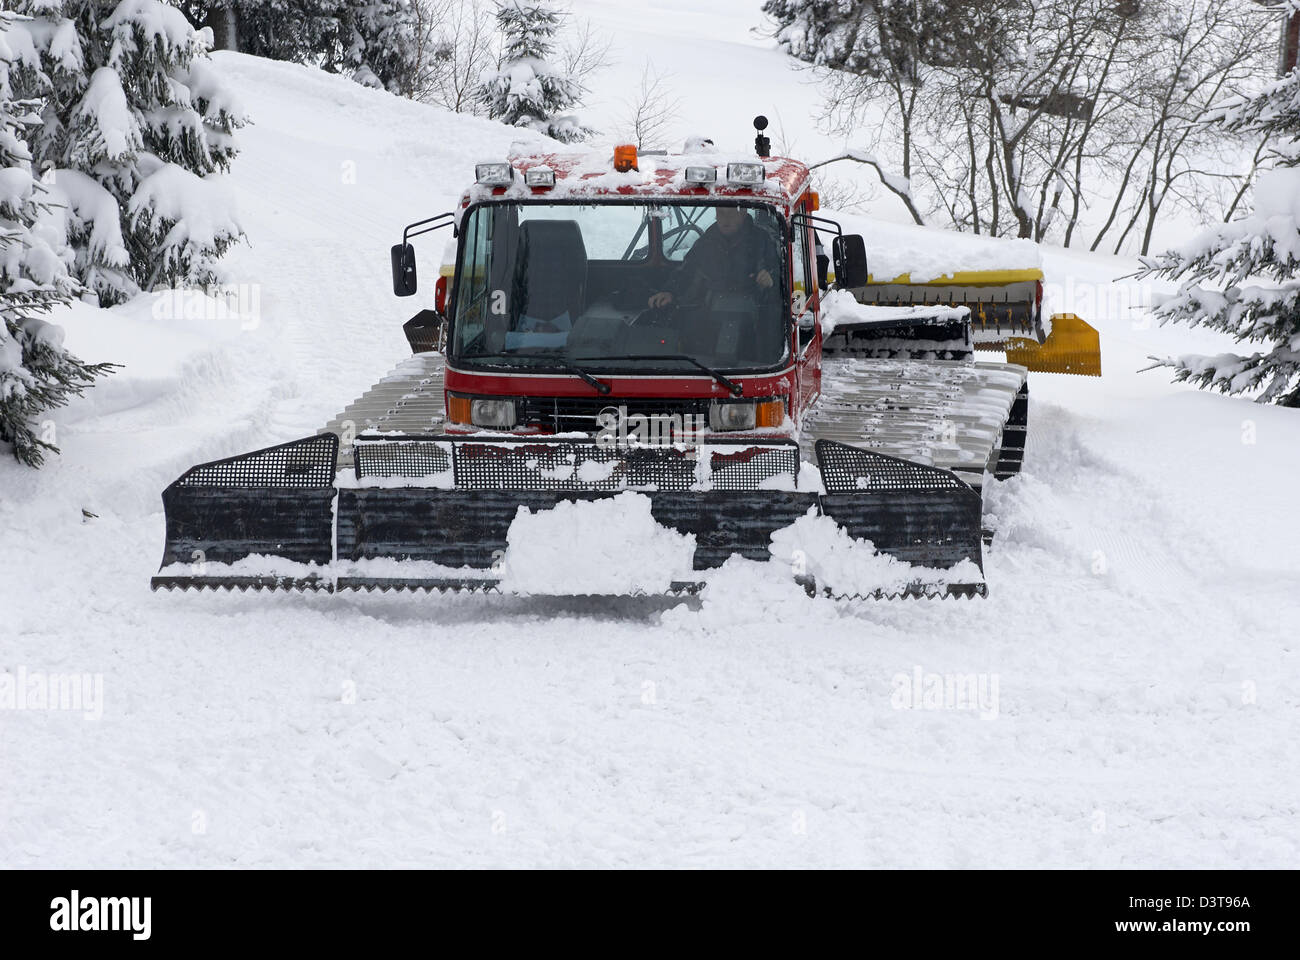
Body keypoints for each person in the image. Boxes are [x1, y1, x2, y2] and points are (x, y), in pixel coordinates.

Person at [647, 206, 779, 309]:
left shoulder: (762, 240)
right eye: (721, 213)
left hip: (754, 310)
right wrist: (670, 292)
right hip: (709, 313)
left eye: (731, 214)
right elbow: (687, 271)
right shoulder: (707, 241)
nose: (725, 220)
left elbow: (782, 276)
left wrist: (770, 280)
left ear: (743, 213)